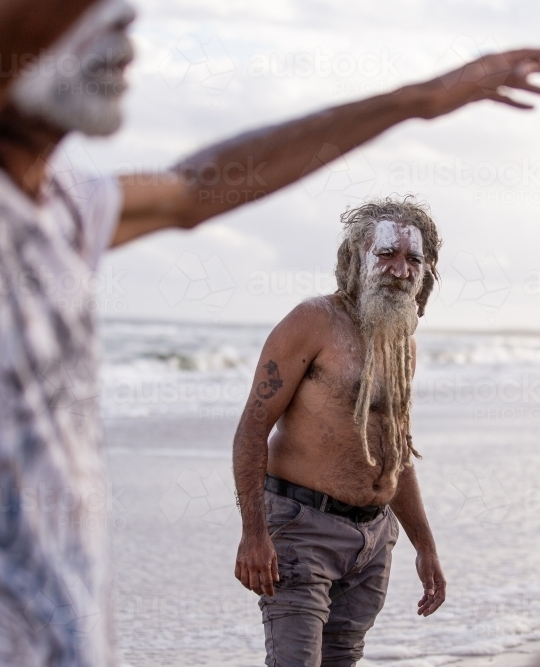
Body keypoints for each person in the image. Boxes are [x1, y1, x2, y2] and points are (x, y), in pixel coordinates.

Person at [0, 0, 540, 665]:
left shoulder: (62, 213)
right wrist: (256, 530)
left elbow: (196, 188)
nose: (123, 20)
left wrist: (417, 101)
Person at [233, 197, 442, 665]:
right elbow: (252, 428)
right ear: (356, 256)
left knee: (343, 659)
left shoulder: (402, 343)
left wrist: (425, 547)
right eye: (386, 253)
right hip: (302, 529)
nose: (400, 270)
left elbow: (396, 452)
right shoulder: (312, 322)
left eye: (413, 259)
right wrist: (254, 533)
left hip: (373, 539)